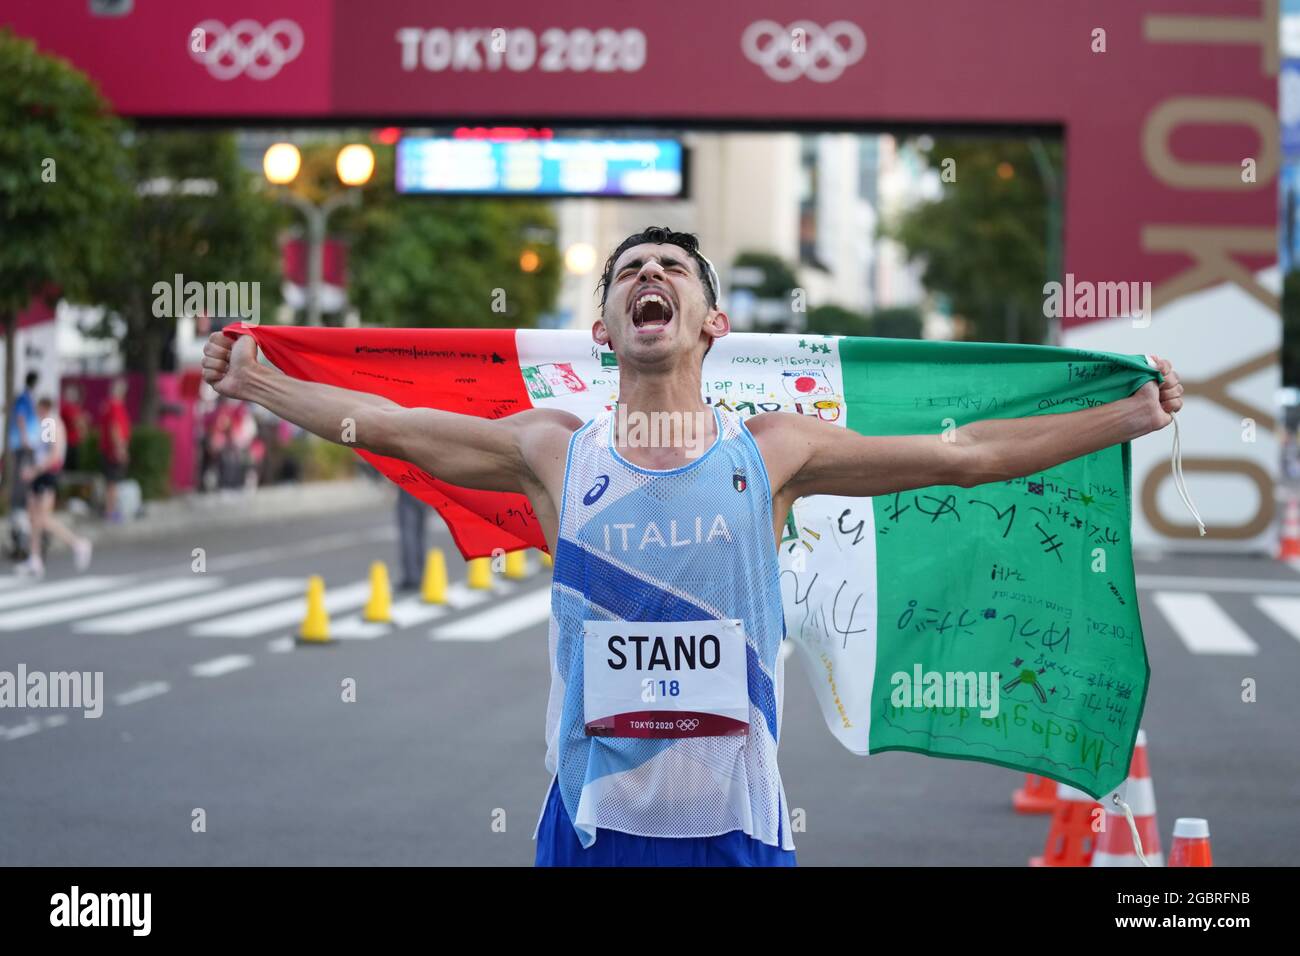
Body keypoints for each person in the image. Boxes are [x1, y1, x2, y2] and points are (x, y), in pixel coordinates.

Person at [201, 226, 1184, 867]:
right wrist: (258, 382)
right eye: (630, 270)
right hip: (589, 825)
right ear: (603, 328)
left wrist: (1125, 415)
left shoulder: (776, 451)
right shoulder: (553, 451)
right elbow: (389, 424)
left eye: (671, 268)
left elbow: (964, 455)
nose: (649, 275)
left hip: (736, 827)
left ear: (711, 322)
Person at [15, 397, 92, 578]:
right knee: (34, 518)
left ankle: (77, 543)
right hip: (41, 474)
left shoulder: (50, 422)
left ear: (44, 408)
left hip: (46, 475)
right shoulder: (47, 423)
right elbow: (42, 449)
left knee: (43, 518)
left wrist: (34, 471)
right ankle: (35, 558)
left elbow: (52, 455)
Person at [98, 378, 131, 521]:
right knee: (113, 483)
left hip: (108, 449)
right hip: (113, 451)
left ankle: (109, 510)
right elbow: (115, 428)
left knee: (111, 483)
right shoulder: (115, 406)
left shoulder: (109, 405)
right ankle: (111, 512)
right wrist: (120, 449)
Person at [8, 371, 39, 514]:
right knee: (21, 474)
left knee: (26, 474)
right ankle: (18, 506)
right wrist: (25, 438)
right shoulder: (24, 398)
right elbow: (20, 417)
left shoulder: (29, 397)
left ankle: (22, 505)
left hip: (26, 443)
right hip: (22, 444)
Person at [395, 487, 431, 591]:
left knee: (408, 534)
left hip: (408, 488)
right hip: (425, 489)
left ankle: (412, 576)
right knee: (420, 534)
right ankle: (422, 573)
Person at [59, 382, 89, 473]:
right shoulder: (67, 407)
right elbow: (77, 422)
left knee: (75, 468)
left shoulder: (75, 408)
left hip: (75, 443)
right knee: (69, 469)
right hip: (69, 443)